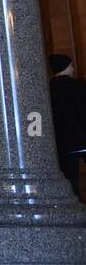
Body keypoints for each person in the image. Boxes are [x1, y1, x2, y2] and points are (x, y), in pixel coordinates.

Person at [48, 53, 86, 196]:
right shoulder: (78, 86)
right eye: (71, 66)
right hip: (81, 138)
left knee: (71, 181)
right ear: (66, 67)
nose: (73, 69)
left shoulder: (47, 90)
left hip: (61, 142)